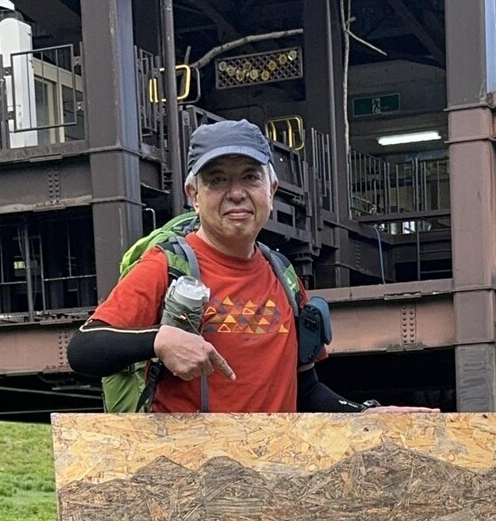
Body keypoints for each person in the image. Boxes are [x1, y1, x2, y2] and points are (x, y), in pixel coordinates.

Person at [67, 118, 403, 415]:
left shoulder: (283, 276)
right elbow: (83, 351)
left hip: (271, 476)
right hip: (190, 478)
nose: (237, 193)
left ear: (270, 190)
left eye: (250, 177)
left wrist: (364, 415)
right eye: (217, 180)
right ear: (193, 195)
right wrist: (159, 341)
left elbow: (306, 388)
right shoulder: (166, 266)